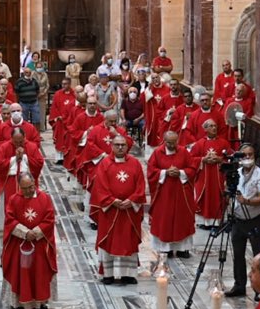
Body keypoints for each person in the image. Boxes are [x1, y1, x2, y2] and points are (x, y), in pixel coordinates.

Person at [90, 136, 146, 285]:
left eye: (123, 145)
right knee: (109, 240)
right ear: (112, 146)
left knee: (128, 240)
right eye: (117, 145)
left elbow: (140, 185)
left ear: (127, 147)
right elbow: (100, 187)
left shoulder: (135, 164)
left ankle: (128, 274)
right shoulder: (105, 164)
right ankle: (108, 274)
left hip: (129, 211)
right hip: (110, 211)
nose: (120, 148)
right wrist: (113, 201)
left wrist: (132, 200)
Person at [1, 173, 57, 309]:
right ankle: (18, 303)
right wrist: (25, 233)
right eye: (25, 188)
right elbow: (9, 220)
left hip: (39, 244)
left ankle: (39, 304)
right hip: (20, 244)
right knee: (20, 273)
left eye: (31, 187)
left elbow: (49, 218)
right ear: (20, 187)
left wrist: (36, 232)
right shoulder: (14, 200)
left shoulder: (44, 198)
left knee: (39, 273)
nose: (29, 191)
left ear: (34, 183)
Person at [226, 144, 260, 297]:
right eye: (244, 155)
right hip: (238, 220)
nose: (247, 158)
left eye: (250, 155)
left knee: (259, 256)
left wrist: (246, 201)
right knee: (238, 254)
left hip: (254, 219)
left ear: (254, 157)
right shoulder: (236, 173)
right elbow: (228, 191)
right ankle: (239, 285)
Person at [147, 130, 196, 259]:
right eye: (169, 142)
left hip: (182, 192)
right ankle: (166, 248)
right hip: (164, 193)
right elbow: (151, 171)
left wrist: (180, 172)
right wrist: (165, 172)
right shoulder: (157, 153)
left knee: (182, 219)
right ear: (164, 140)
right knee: (165, 219)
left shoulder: (184, 152)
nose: (172, 145)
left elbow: (192, 168)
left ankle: (183, 249)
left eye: (174, 142)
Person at [0, 127, 45, 231]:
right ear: (11, 138)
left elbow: (39, 163)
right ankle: (9, 229)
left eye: (21, 141)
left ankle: (28, 227)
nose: (18, 144)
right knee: (10, 207)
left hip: (27, 184)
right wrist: (13, 159)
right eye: (16, 142)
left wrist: (25, 158)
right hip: (9, 183)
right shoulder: (4, 147)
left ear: (25, 137)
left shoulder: (32, 147)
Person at [190, 119, 232, 229]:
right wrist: (203, 159)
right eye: (211, 126)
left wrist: (220, 160)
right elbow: (190, 160)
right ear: (205, 129)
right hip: (204, 177)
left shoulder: (224, 143)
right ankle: (203, 222)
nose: (214, 128)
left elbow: (230, 158)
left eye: (215, 126)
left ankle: (218, 222)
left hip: (218, 177)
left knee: (218, 197)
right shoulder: (199, 144)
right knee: (204, 197)